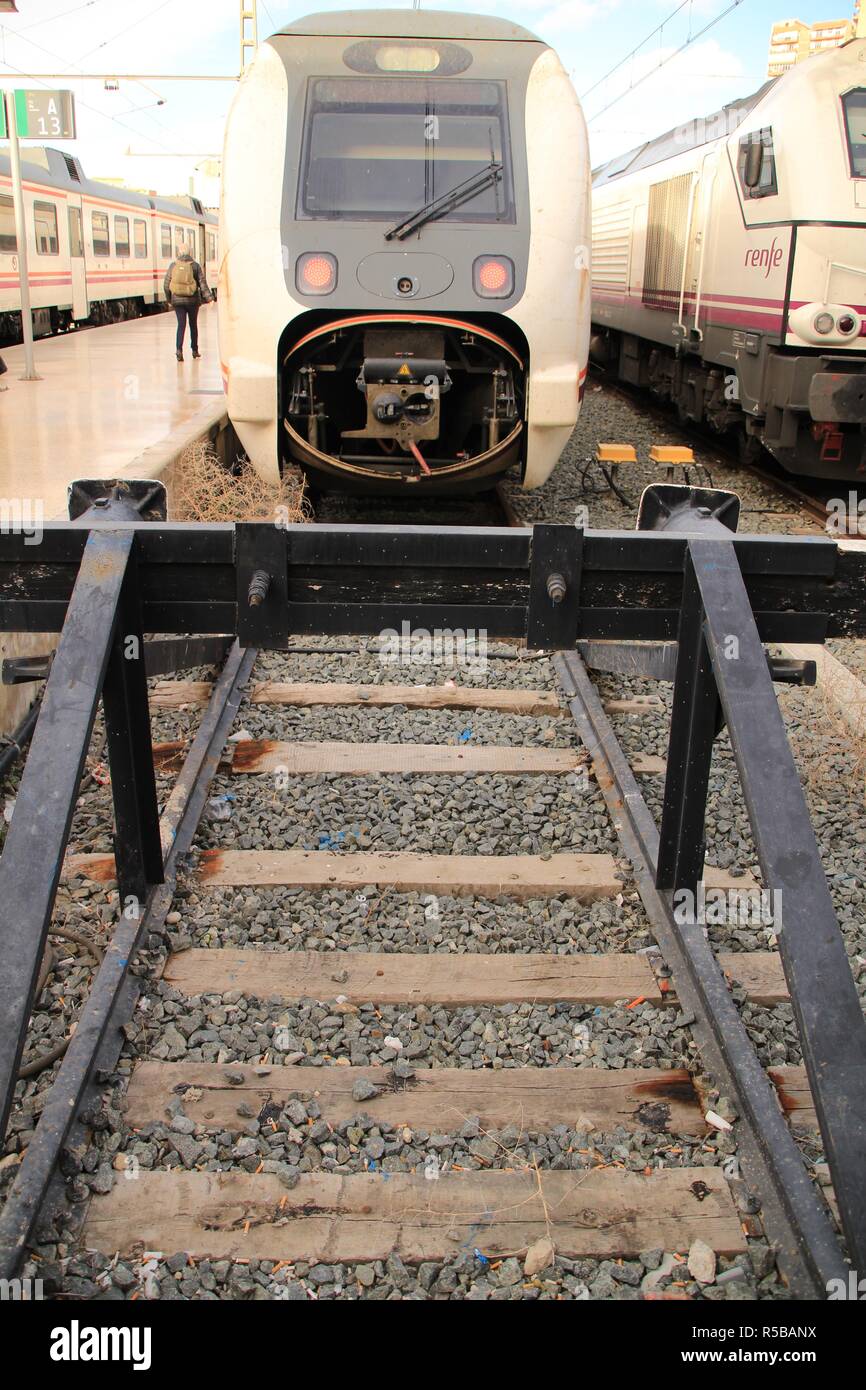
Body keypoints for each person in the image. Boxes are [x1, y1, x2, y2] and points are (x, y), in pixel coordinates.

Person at [164, 241, 212, 362]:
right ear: (190, 252)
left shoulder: (173, 265)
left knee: (181, 325)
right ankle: (194, 350)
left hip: (177, 301)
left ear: (178, 252)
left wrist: (170, 299)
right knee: (193, 325)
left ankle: (179, 350)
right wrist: (209, 298)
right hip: (192, 301)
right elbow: (202, 283)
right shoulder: (195, 265)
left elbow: (166, 284)